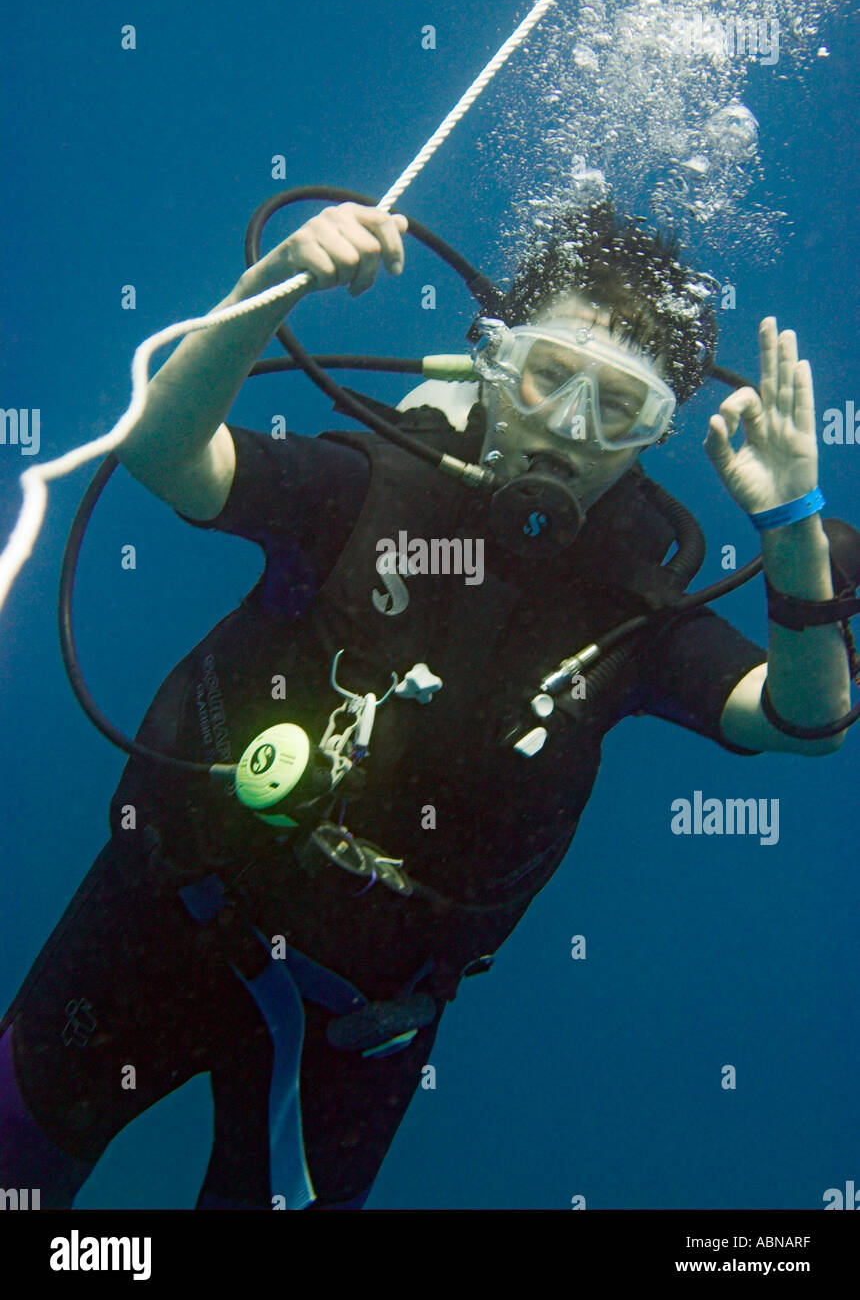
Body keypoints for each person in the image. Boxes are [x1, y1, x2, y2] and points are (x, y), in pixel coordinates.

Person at [0, 201, 850, 1210]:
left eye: (616, 407)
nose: (568, 429)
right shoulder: (364, 488)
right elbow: (165, 454)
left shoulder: (631, 606)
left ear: (656, 431)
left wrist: (794, 525)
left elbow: (804, 719)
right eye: (547, 374)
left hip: (363, 1026)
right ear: (491, 360)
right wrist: (271, 287)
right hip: (155, 921)